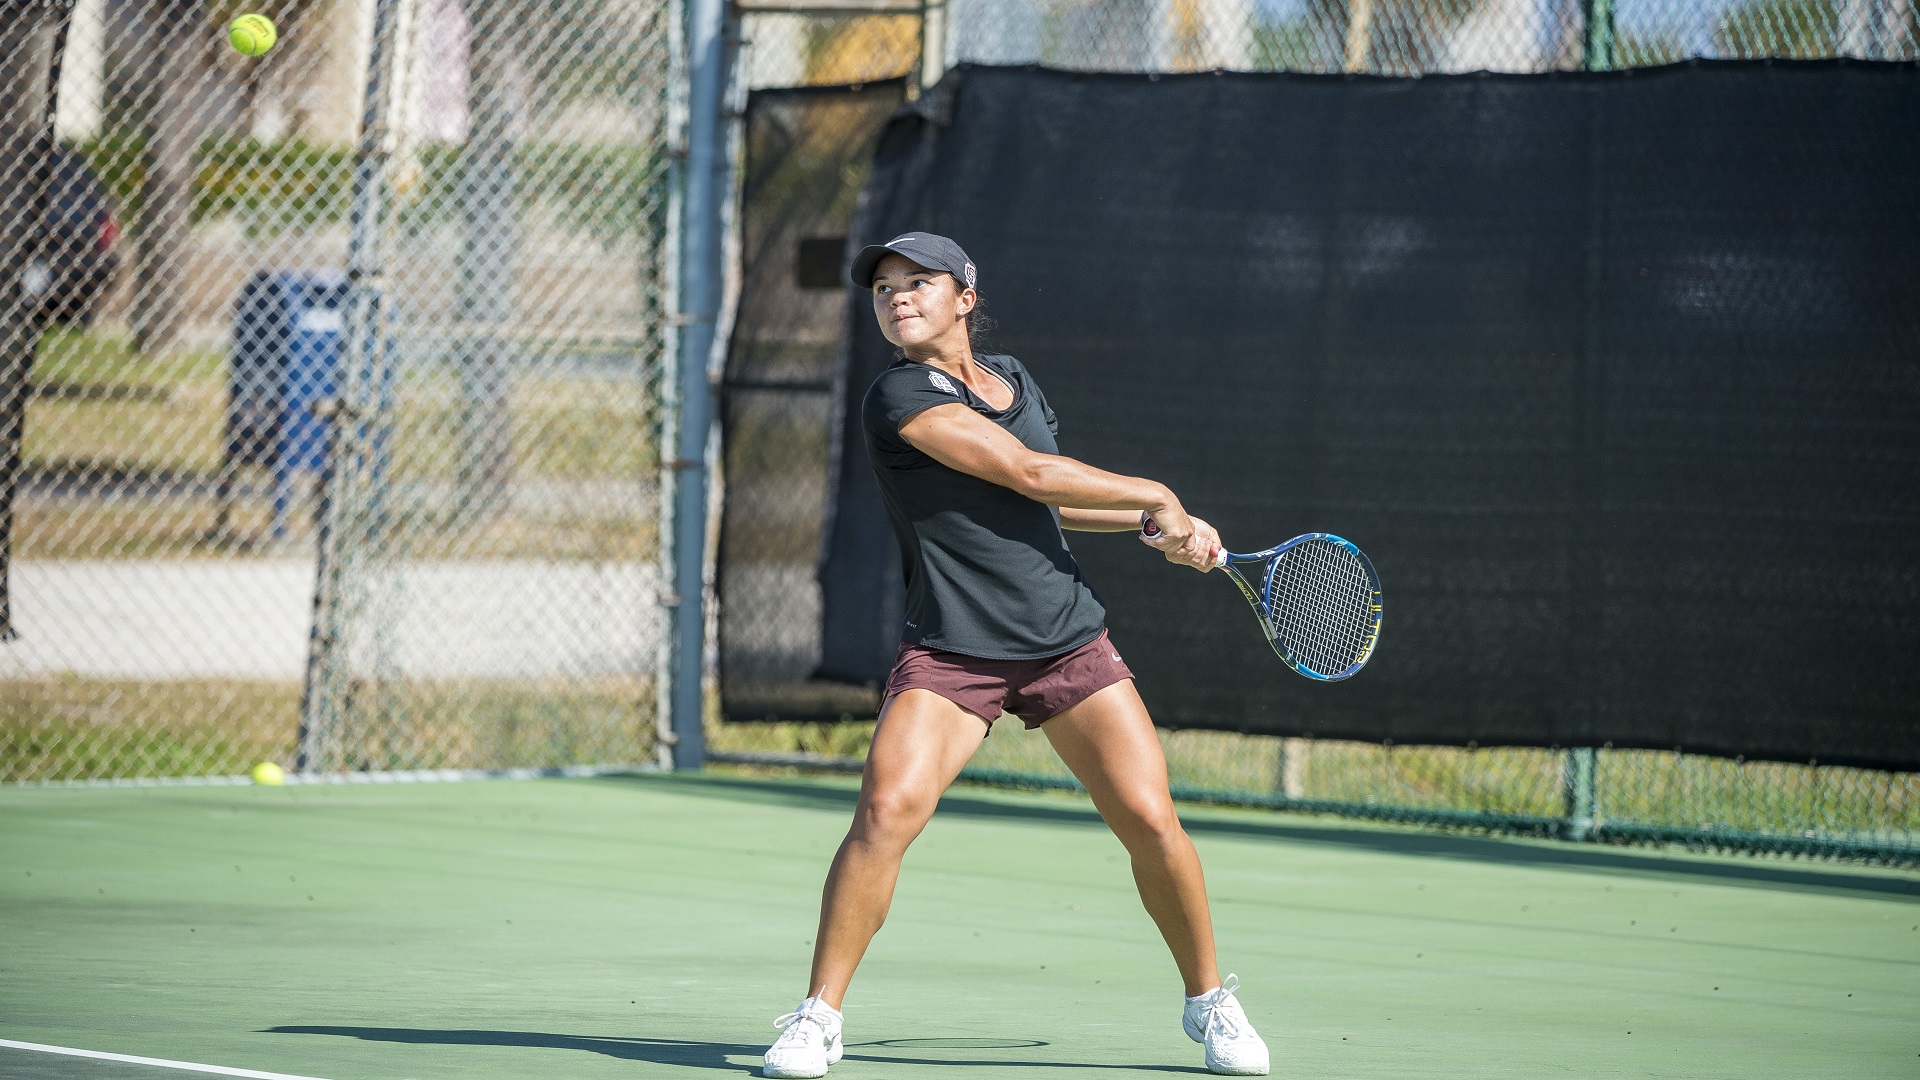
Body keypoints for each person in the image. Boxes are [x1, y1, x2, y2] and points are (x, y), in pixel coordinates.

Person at [762, 233, 1270, 1078]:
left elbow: (1052, 508)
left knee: (1151, 821)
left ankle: (1210, 1002)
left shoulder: (1014, 380)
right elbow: (1032, 474)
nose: (896, 297)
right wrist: (1159, 496)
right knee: (886, 814)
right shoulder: (898, 395)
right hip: (955, 647)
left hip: (1065, 638)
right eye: (884, 287)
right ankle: (818, 1019)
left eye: (916, 282)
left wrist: (1161, 532)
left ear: (964, 295)